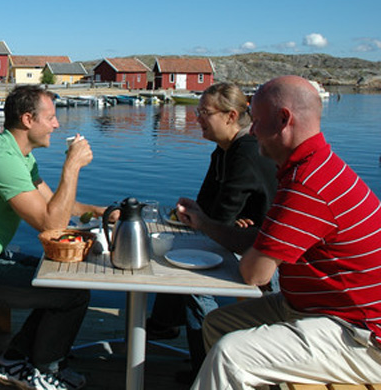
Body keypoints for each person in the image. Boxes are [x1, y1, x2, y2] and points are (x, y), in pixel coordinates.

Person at [186, 76, 381, 390]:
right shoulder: (308, 168)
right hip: (312, 308)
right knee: (217, 323)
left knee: (231, 355)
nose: (252, 131)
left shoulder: (310, 184)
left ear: (284, 120)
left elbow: (255, 274)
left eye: (257, 121)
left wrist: (258, 244)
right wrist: (213, 226)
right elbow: (259, 244)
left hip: (360, 333)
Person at [0, 85, 106, 390]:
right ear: (28, 120)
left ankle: (13, 359)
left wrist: (100, 212)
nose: (57, 124)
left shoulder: (19, 157)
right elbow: (51, 225)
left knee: (58, 273)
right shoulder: (3, 160)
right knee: (71, 294)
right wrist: (72, 166)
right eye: (51, 118)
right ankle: (45, 370)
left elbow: (54, 204)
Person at [146, 82, 277, 380]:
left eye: (205, 113)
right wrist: (212, 218)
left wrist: (215, 219)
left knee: (192, 282)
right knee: (178, 252)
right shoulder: (224, 150)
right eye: (198, 112)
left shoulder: (246, 151)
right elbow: (208, 207)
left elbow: (218, 216)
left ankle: (204, 370)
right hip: (239, 241)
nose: (198, 119)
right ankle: (168, 325)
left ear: (231, 116)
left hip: (267, 257)